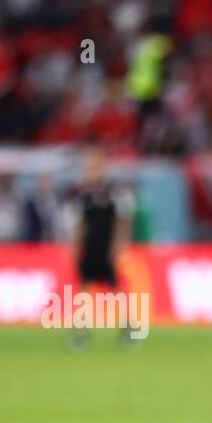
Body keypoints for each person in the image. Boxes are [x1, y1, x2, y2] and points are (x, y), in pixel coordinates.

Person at [70, 147, 133, 348]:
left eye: (95, 167)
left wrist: (118, 246)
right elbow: (81, 223)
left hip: (106, 249)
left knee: (115, 290)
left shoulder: (112, 192)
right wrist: (76, 247)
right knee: (84, 291)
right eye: (89, 168)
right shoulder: (84, 195)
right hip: (90, 249)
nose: (91, 171)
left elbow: (122, 221)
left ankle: (128, 329)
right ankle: (80, 333)